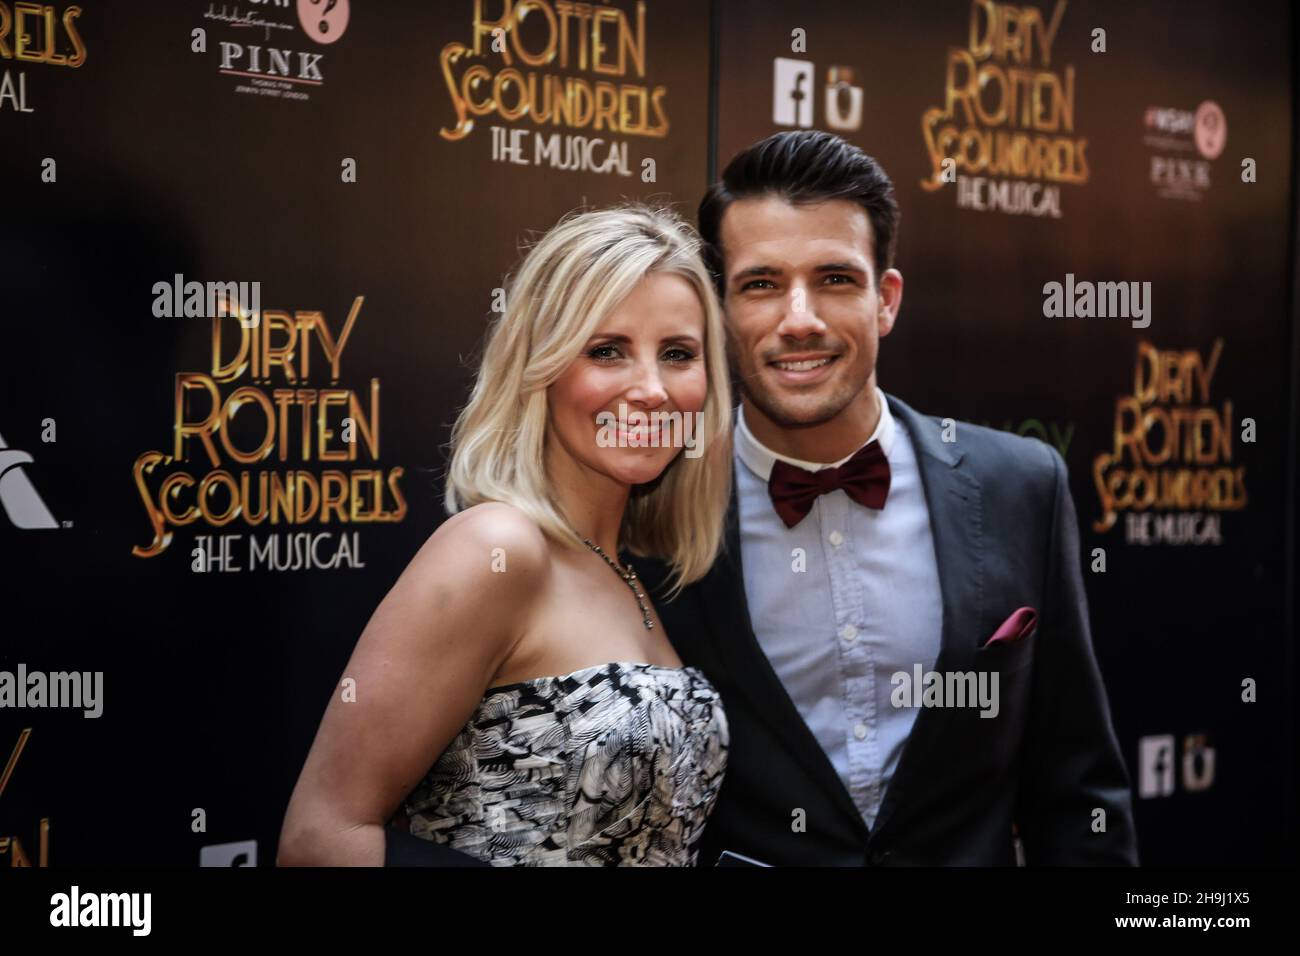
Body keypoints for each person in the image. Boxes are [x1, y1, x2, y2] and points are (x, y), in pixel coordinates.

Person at [634, 130, 1139, 866]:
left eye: (835, 279)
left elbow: (1077, 789)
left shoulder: (1020, 486)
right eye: (761, 283)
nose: (799, 318)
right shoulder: (649, 508)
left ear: (886, 299)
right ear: (718, 311)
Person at [278, 204, 734, 866]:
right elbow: (320, 840)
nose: (652, 389)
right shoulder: (497, 550)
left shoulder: (631, 571)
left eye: (677, 354)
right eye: (607, 350)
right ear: (540, 366)